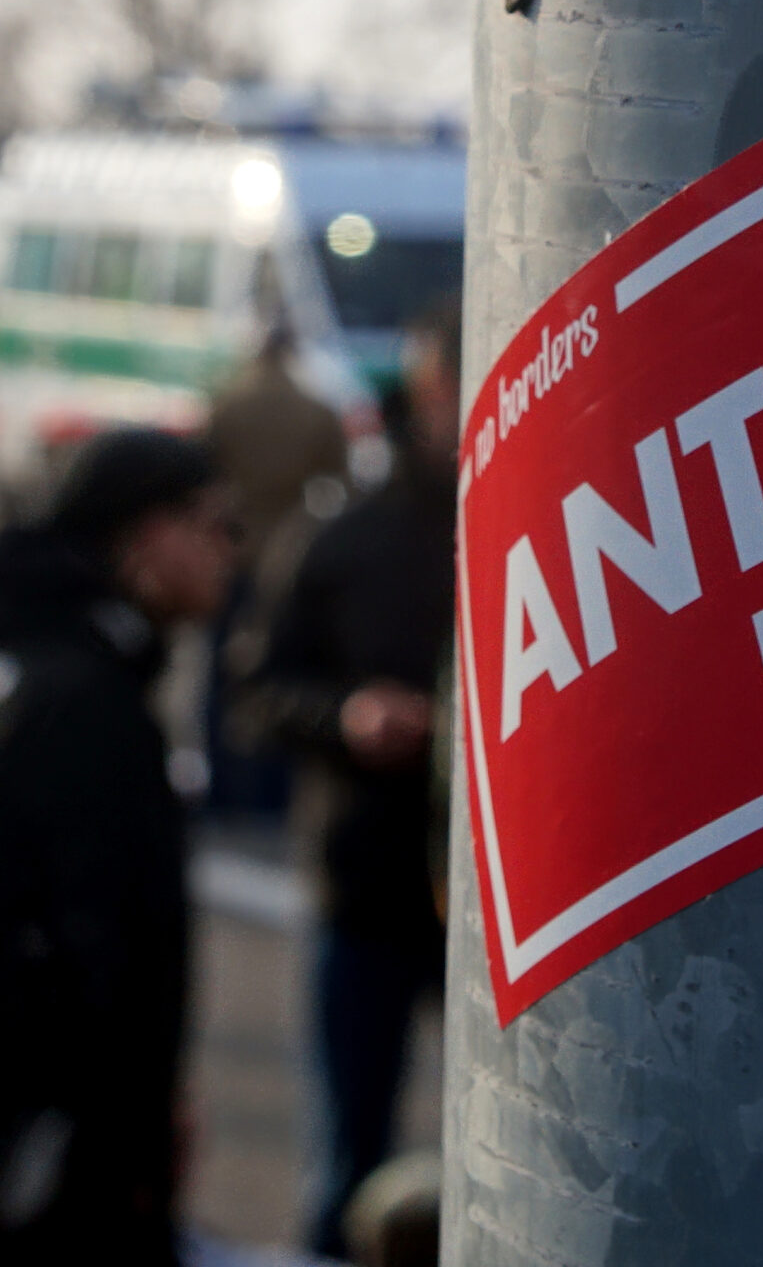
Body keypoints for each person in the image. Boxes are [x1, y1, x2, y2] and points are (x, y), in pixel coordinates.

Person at [0, 429, 235, 1266]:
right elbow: (89, 964)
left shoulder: (27, 660)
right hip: (40, 1183)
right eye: (221, 526)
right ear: (151, 533)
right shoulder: (78, 701)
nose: (235, 552)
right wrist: (123, 1150)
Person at [236, 311, 458, 1258]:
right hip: (366, 881)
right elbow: (258, 688)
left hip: (492, 905)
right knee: (346, 1163)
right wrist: (347, 720)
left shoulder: (544, 519)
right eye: (449, 388)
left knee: (519, 1151)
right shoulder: (347, 535)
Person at [204, 326, 350, 814]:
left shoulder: (226, 406)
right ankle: (274, 792)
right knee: (278, 676)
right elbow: (342, 482)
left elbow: (201, 475)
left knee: (221, 674)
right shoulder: (315, 410)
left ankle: (223, 787)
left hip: (233, 554)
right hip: (288, 560)